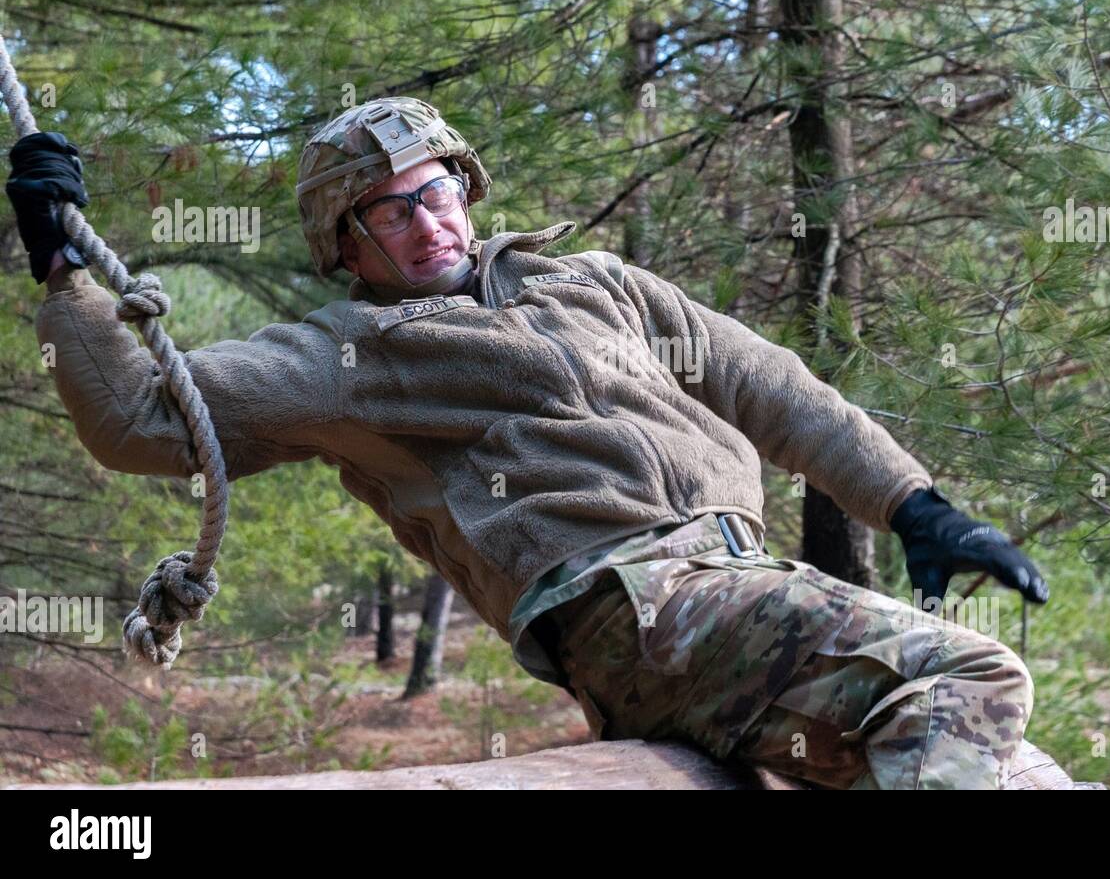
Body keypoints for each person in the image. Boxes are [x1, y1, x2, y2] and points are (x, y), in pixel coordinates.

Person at [8, 96, 1049, 789]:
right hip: (631, 607)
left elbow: (768, 384)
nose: (429, 223)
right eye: (390, 212)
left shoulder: (591, 281)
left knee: (979, 760)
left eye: (439, 191)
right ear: (347, 243)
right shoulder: (356, 349)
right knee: (970, 676)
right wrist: (64, 265)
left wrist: (918, 507)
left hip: (737, 585)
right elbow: (141, 418)